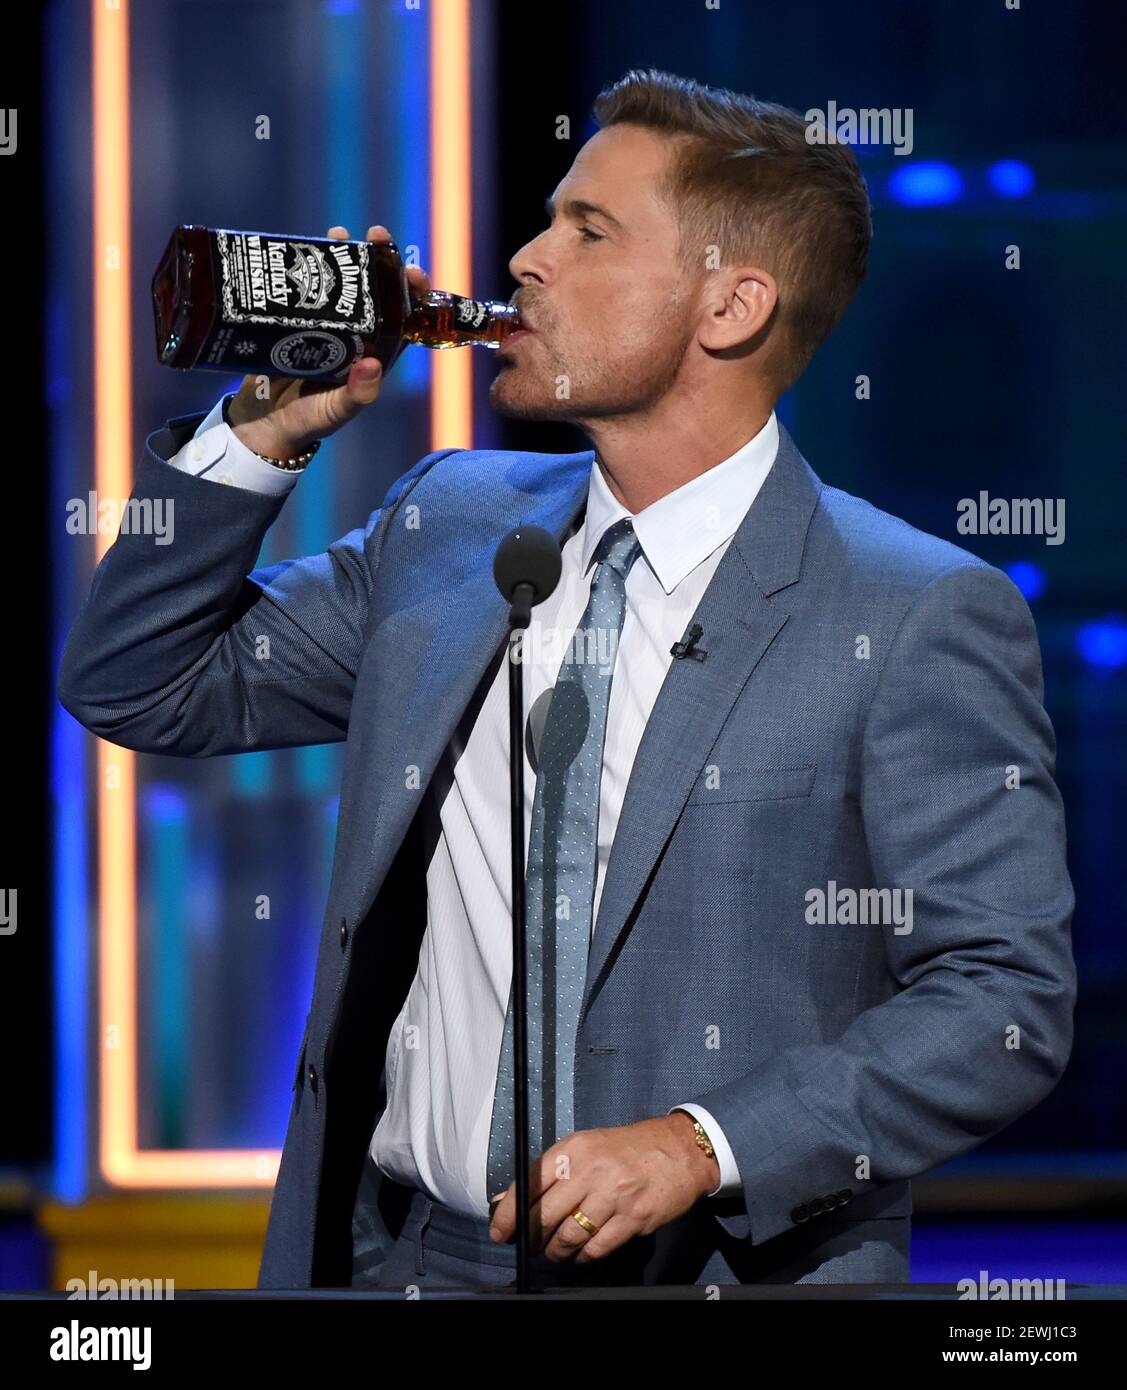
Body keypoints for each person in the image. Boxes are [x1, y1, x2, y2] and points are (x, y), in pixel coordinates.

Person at [57, 68, 1075, 1291]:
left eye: (587, 231)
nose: (527, 260)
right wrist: (268, 427)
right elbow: (137, 680)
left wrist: (705, 1145)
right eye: (546, 221)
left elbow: (1001, 996)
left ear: (731, 305)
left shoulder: (909, 608)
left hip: (703, 1270)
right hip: (404, 1262)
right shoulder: (451, 523)